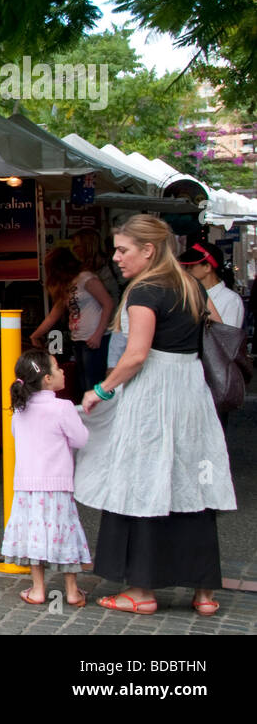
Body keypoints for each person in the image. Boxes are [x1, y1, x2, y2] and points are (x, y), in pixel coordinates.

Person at [74, 214, 236, 616]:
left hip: (154, 393)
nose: (116, 258)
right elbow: (218, 328)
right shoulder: (192, 285)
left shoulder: (144, 290)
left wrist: (100, 389)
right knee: (190, 483)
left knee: (142, 478)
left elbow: (137, 354)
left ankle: (142, 591)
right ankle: (204, 594)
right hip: (191, 390)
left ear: (148, 250)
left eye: (123, 250)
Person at [2, 349, 91, 608]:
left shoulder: (20, 409)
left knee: (35, 535)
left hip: (27, 486)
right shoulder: (62, 408)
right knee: (64, 532)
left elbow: (17, 435)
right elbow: (81, 439)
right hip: (57, 486)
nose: (63, 370)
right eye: (57, 368)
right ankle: (72, 590)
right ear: (48, 379)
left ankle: (38, 589)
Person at [30, 247, 113, 396]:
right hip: (80, 338)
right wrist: (35, 335)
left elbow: (108, 303)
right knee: (83, 384)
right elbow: (53, 316)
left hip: (93, 338)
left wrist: (98, 335)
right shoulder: (68, 284)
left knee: (92, 384)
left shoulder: (86, 278)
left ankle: (95, 417)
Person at [179, 243, 243, 327]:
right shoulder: (188, 295)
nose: (186, 271)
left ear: (207, 267)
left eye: (191, 266)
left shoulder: (231, 300)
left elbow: (227, 336)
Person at [71, 227, 121, 305]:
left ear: (88, 246)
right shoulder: (80, 272)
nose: (74, 250)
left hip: (115, 313)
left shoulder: (114, 267)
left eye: (77, 246)